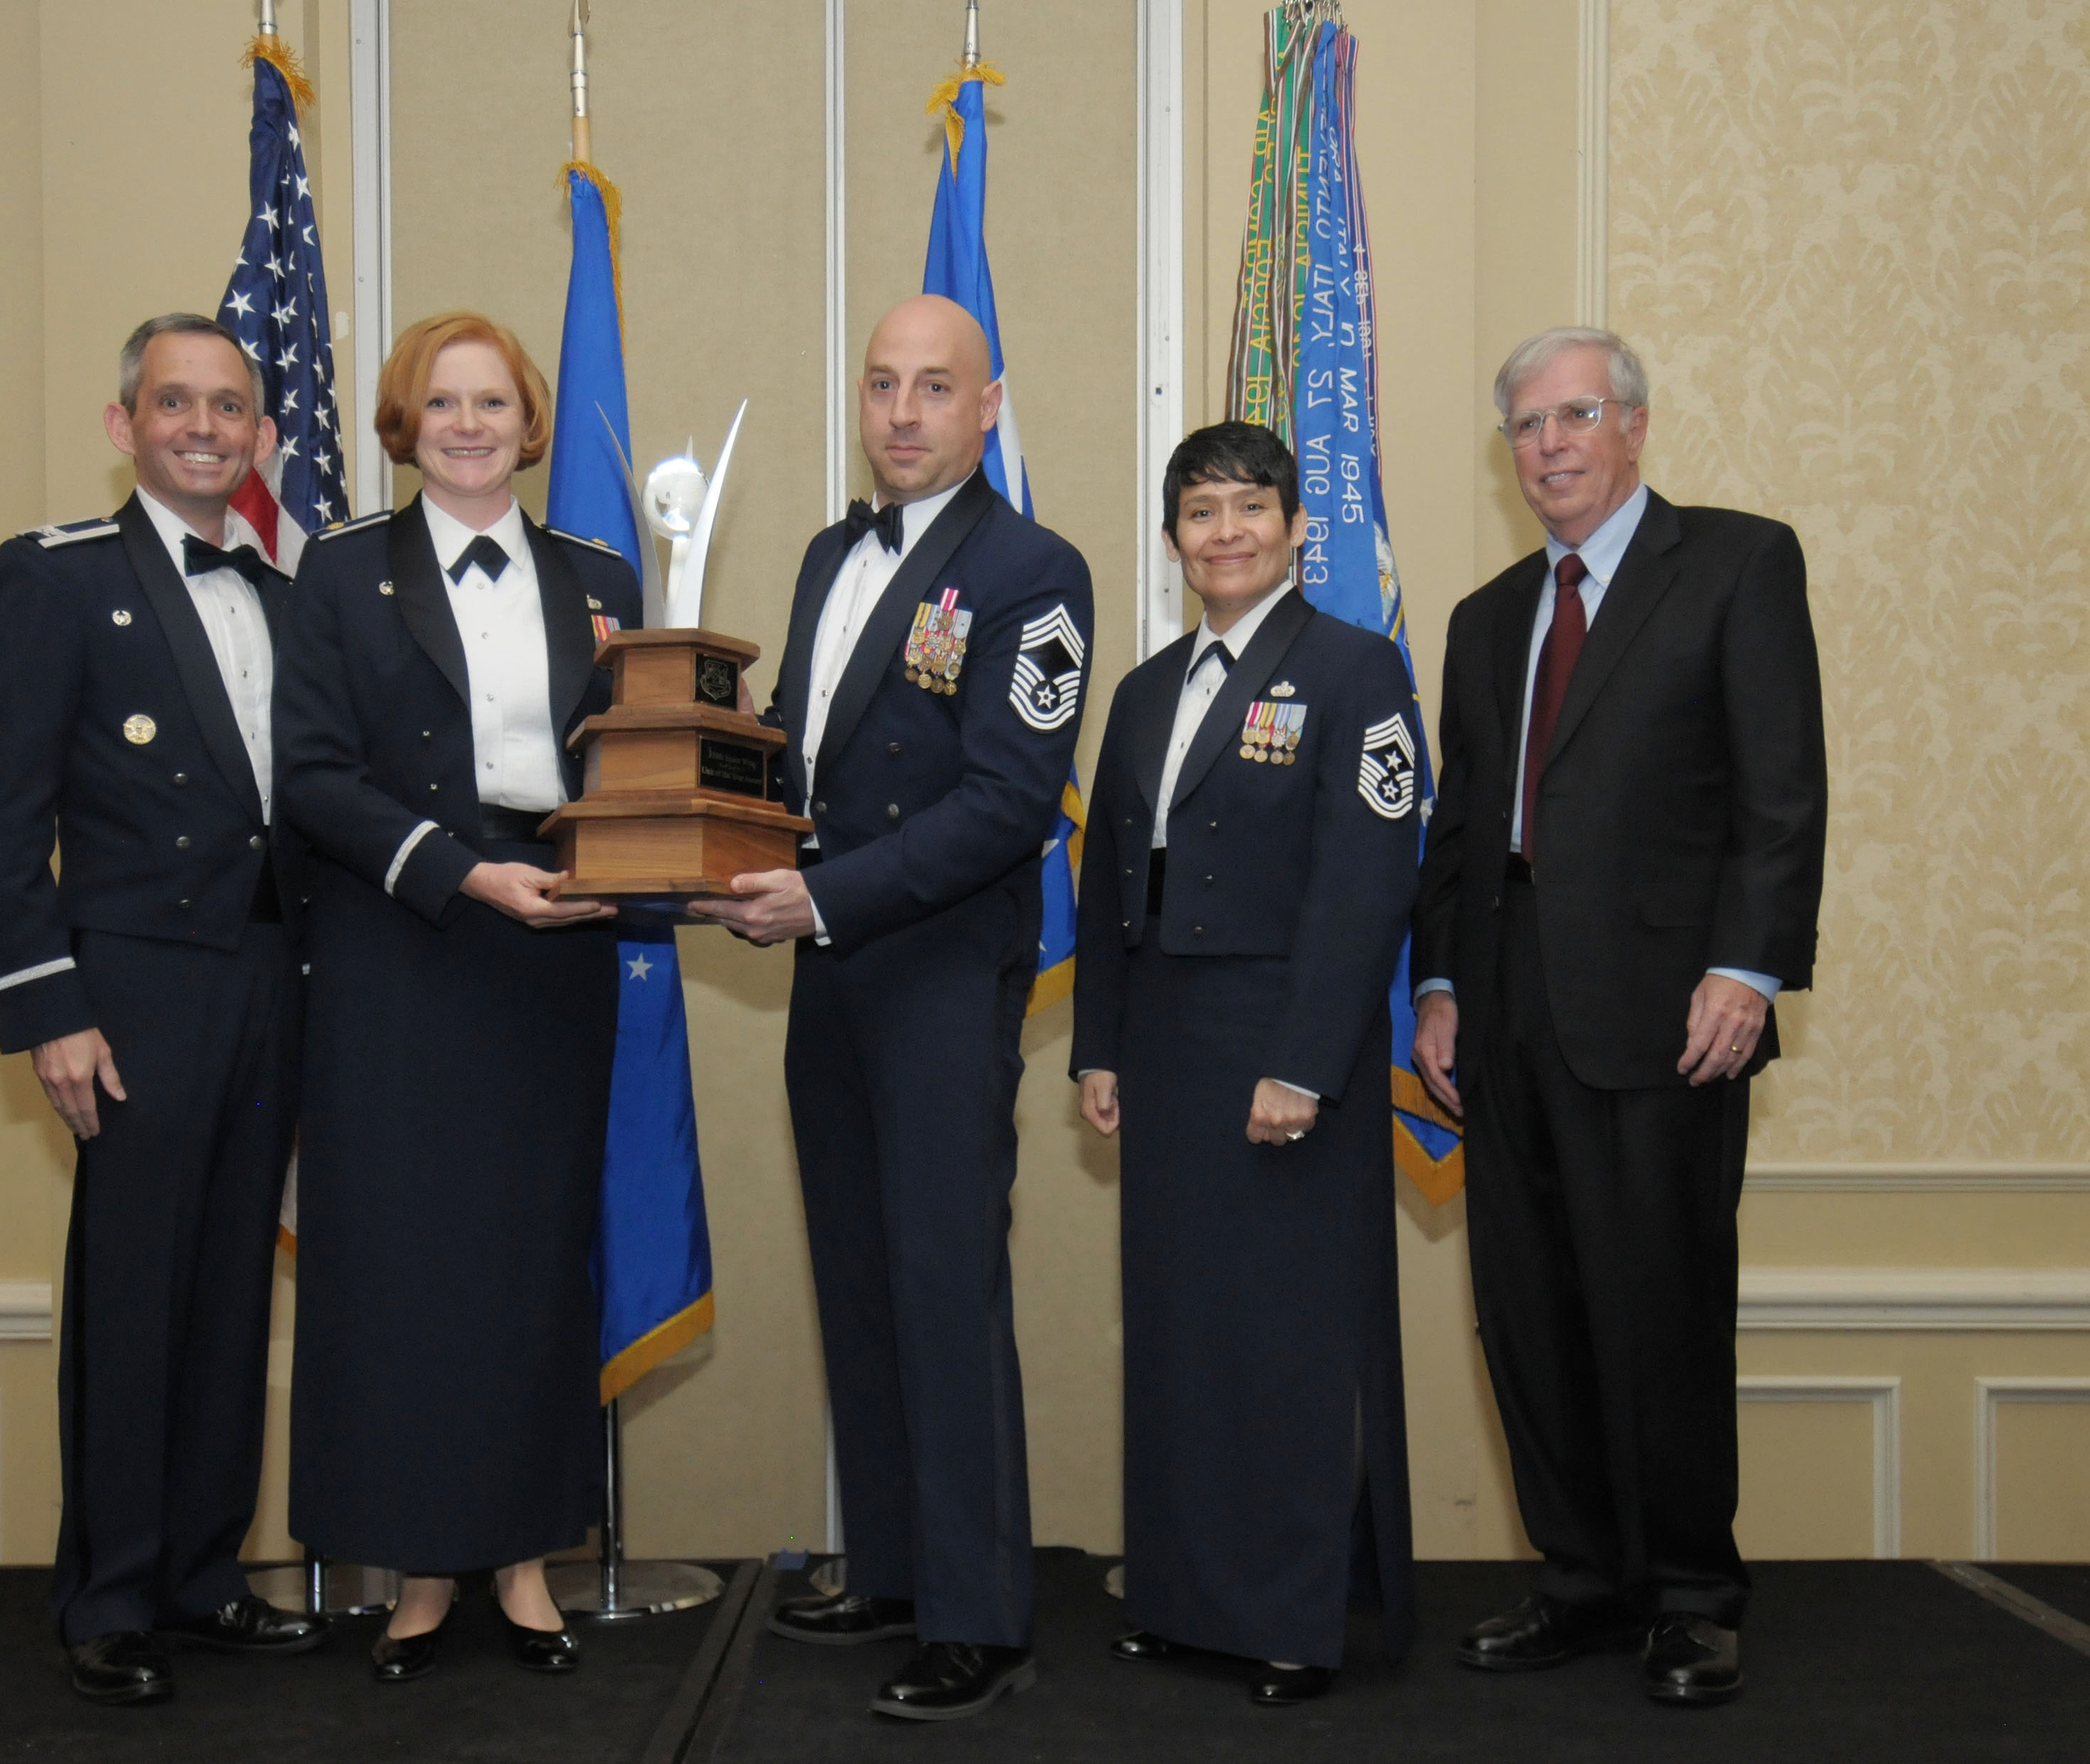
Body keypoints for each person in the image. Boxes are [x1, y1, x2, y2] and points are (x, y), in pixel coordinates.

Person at [1412, 327, 1827, 1707]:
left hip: (1665, 1012)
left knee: (1661, 1305)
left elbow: (1781, 790)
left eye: (1575, 415)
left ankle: (1694, 1596)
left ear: (1634, 426)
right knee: (1527, 1311)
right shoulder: (1482, 621)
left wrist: (1748, 970)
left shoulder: (1737, 565)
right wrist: (1440, 983)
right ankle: (1581, 1579)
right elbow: (1460, 831)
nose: (1550, 446)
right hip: (1506, 1003)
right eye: (1526, 426)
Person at [693, 294, 1093, 1723]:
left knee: (940, 1281)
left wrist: (825, 896)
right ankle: (894, 1566)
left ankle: (979, 1614)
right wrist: (691, 814)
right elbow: (799, 759)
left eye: (936, 386)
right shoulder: (823, 556)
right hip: (830, 974)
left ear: (992, 405)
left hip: (930, 969)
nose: (905, 412)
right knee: (858, 1274)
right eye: (882, 385)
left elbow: (1005, 803)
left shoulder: (1035, 570)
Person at [0, 313, 327, 1705]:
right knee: (133, 1292)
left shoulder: (288, 600)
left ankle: (201, 1573)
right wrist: (46, 1005)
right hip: (129, 994)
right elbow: (3, 817)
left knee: (233, 1286)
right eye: (176, 403)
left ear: (262, 439)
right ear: (126, 424)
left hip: (266, 981)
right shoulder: (54, 579)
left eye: (229, 409)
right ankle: (109, 1591)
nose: (203, 427)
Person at [275, 312, 637, 1686]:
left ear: (530, 420)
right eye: (445, 403)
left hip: (551, 958)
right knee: (404, 1271)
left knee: (534, 1266)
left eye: (494, 402)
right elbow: (309, 774)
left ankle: (528, 1561)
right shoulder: (343, 570)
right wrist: (462, 873)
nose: (471, 424)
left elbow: (636, 756)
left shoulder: (600, 573)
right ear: (404, 423)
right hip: (399, 954)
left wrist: (636, 855)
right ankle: (423, 1572)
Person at [1071, 421, 1421, 1707]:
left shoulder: (1356, 669)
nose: (1226, 532)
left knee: (1280, 1343)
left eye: (1249, 508)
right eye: (1202, 512)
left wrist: (1308, 1063)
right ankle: (1178, 1599)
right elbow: (1110, 880)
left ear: (1293, 527)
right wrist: (1098, 1049)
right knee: (1177, 1334)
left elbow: (1367, 880)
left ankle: (1287, 1617)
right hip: (1163, 1050)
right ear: (1174, 540)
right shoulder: (1145, 690)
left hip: (1283, 1049)